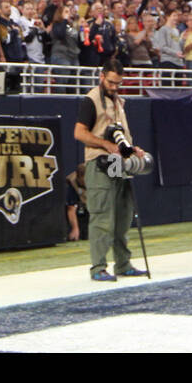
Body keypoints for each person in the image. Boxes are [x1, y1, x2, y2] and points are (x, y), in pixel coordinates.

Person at [74, 59, 149, 279]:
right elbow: (79, 133)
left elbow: (120, 136)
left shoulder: (118, 102)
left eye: (118, 83)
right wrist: (105, 144)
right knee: (102, 215)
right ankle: (98, 267)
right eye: (111, 82)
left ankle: (123, 263)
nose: (114, 87)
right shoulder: (91, 100)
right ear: (102, 76)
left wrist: (131, 149)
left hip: (118, 163)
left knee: (122, 213)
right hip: (99, 162)